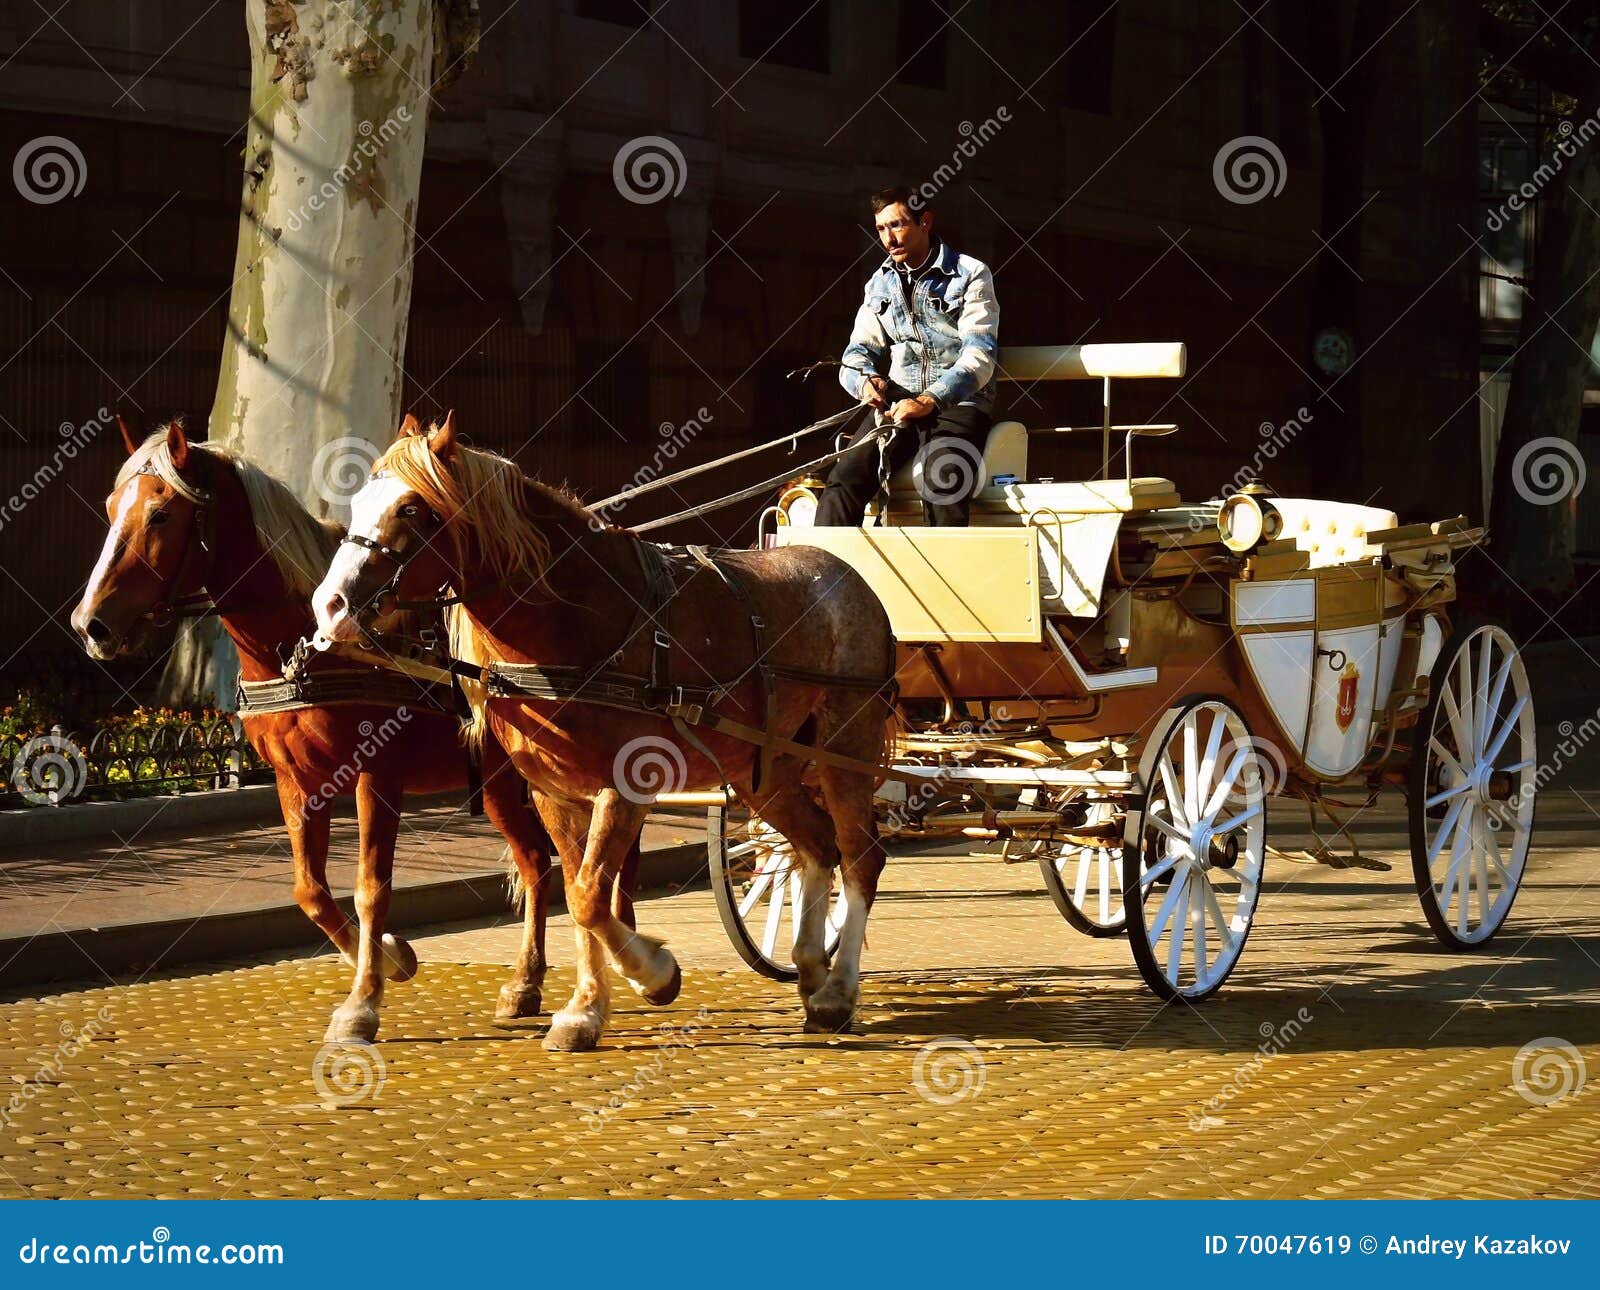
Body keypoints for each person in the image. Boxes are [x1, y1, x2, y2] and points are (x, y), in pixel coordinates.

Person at [815, 185, 1001, 527]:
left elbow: (980, 356)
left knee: (941, 480)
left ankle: (946, 580)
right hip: (898, 404)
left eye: (897, 225)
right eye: (881, 229)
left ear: (925, 221)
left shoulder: (970, 274)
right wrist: (864, 382)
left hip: (959, 404)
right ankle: (828, 579)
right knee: (842, 481)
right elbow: (856, 353)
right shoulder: (879, 283)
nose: (888, 238)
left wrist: (931, 399)